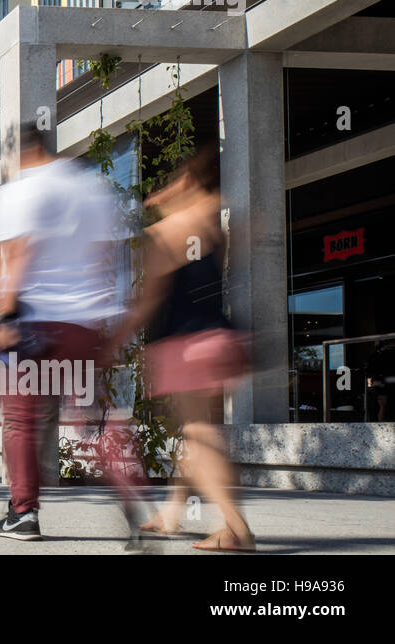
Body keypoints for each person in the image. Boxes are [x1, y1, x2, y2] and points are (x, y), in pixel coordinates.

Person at [0, 122, 136, 543]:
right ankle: (136, 505)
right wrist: (104, 330)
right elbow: (105, 261)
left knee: (21, 422)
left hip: (34, 325)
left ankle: (24, 513)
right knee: (93, 422)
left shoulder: (11, 194)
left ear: (16, 153)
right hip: (84, 326)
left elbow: (7, 261)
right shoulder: (93, 189)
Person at [109, 147, 254, 552]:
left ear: (187, 181)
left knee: (198, 433)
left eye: (171, 182)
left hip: (185, 345)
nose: (161, 192)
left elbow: (149, 300)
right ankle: (174, 513)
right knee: (195, 434)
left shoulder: (169, 231)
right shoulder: (215, 222)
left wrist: (115, 340)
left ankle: (237, 529)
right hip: (219, 339)